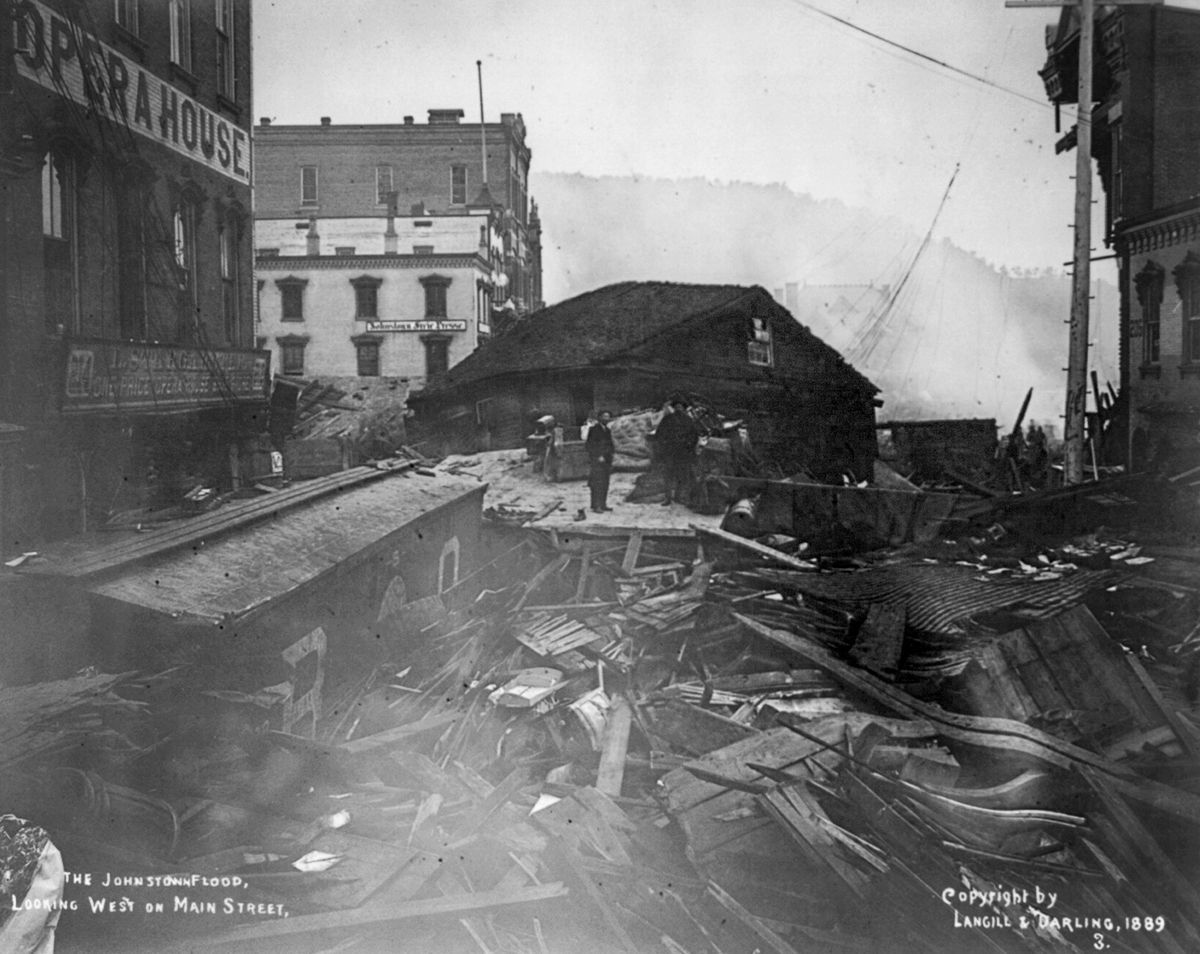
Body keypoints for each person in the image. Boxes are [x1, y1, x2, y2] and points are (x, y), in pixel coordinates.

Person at [656, 398, 700, 506]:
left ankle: (678, 497)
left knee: (682, 475)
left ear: (683, 409)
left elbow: (694, 435)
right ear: (674, 408)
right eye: (676, 407)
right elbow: (660, 434)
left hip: (683, 452)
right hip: (670, 452)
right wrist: (665, 445)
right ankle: (667, 498)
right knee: (668, 475)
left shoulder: (688, 420)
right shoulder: (667, 419)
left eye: (681, 407)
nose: (678, 409)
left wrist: (689, 445)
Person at [585, 409, 614, 513]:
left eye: (608, 417)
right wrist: (598, 456)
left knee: (605, 483)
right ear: (599, 417)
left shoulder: (608, 430)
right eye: (604, 416)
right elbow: (589, 445)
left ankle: (603, 504)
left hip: (606, 460)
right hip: (597, 461)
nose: (606, 418)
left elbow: (610, 445)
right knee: (597, 483)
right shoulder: (594, 430)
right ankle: (596, 505)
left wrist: (610, 455)